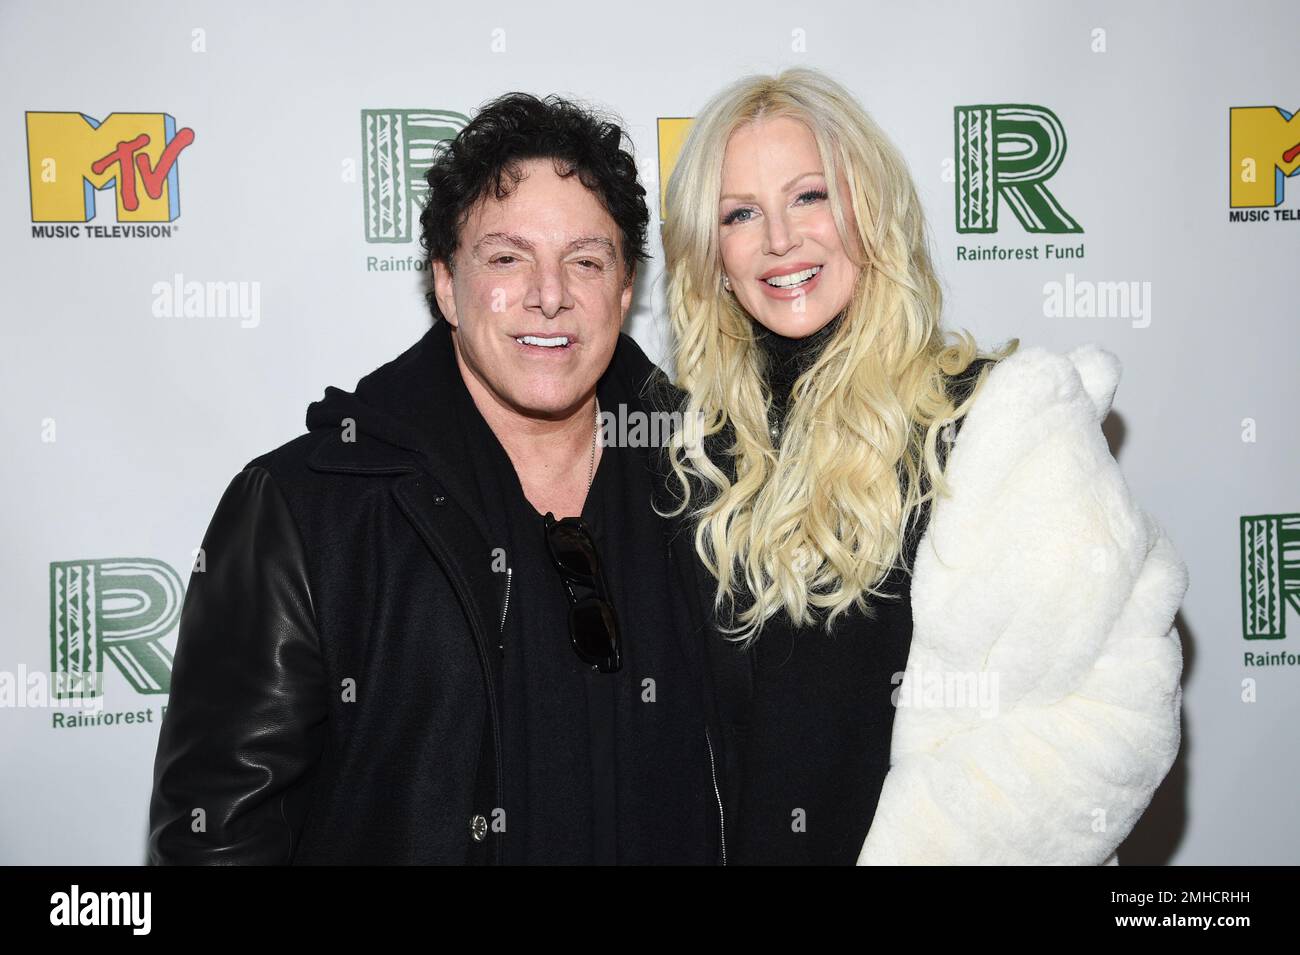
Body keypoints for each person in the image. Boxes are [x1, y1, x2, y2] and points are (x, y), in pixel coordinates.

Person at [148, 92, 727, 864]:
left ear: (625, 292)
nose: (549, 293)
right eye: (507, 257)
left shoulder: (716, 491)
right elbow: (216, 841)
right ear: (446, 284)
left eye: (585, 261)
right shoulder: (304, 509)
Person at [657, 67, 1187, 864]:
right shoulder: (693, 453)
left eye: (810, 195)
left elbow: (1118, 707)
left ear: (870, 209)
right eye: (740, 212)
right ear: (713, 254)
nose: (779, 238)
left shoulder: (995, 421)